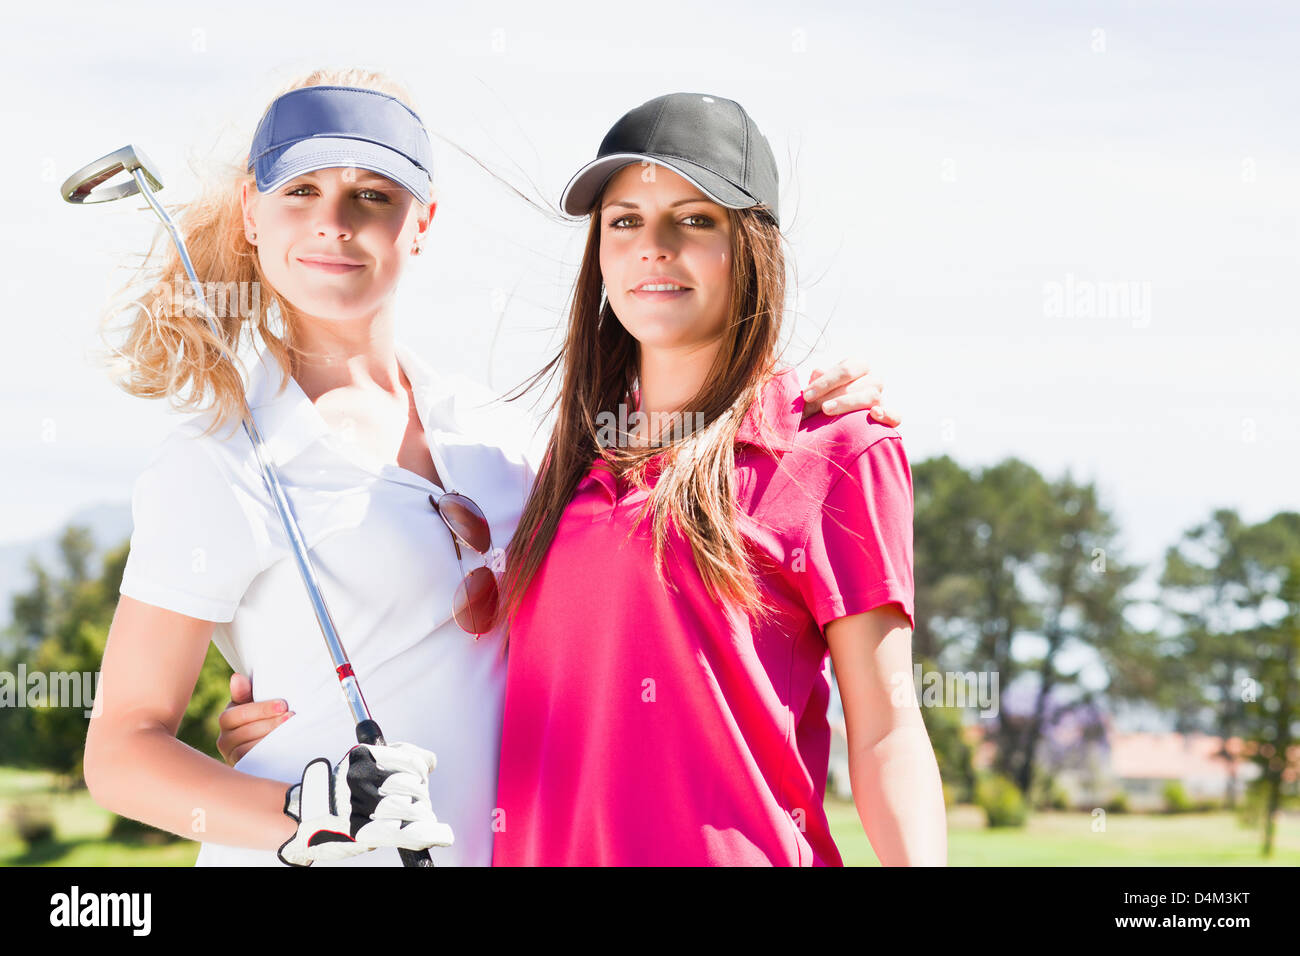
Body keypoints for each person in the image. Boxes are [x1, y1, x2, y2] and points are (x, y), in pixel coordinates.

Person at [88, 70, 892, 867]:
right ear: (250, 215)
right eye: (300, 192)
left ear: (423, 221)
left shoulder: (506, 437)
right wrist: (301, 810)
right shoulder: (215, 462)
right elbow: (121, 754)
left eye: (372, 196)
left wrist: (807, 398)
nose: (333, 224)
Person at [487, 93, 947, 865]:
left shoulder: (837, 447)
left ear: (754, 246)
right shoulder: (560, 475)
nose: (652, 246)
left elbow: (888, 728)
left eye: (694, 219)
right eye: (624, 220)